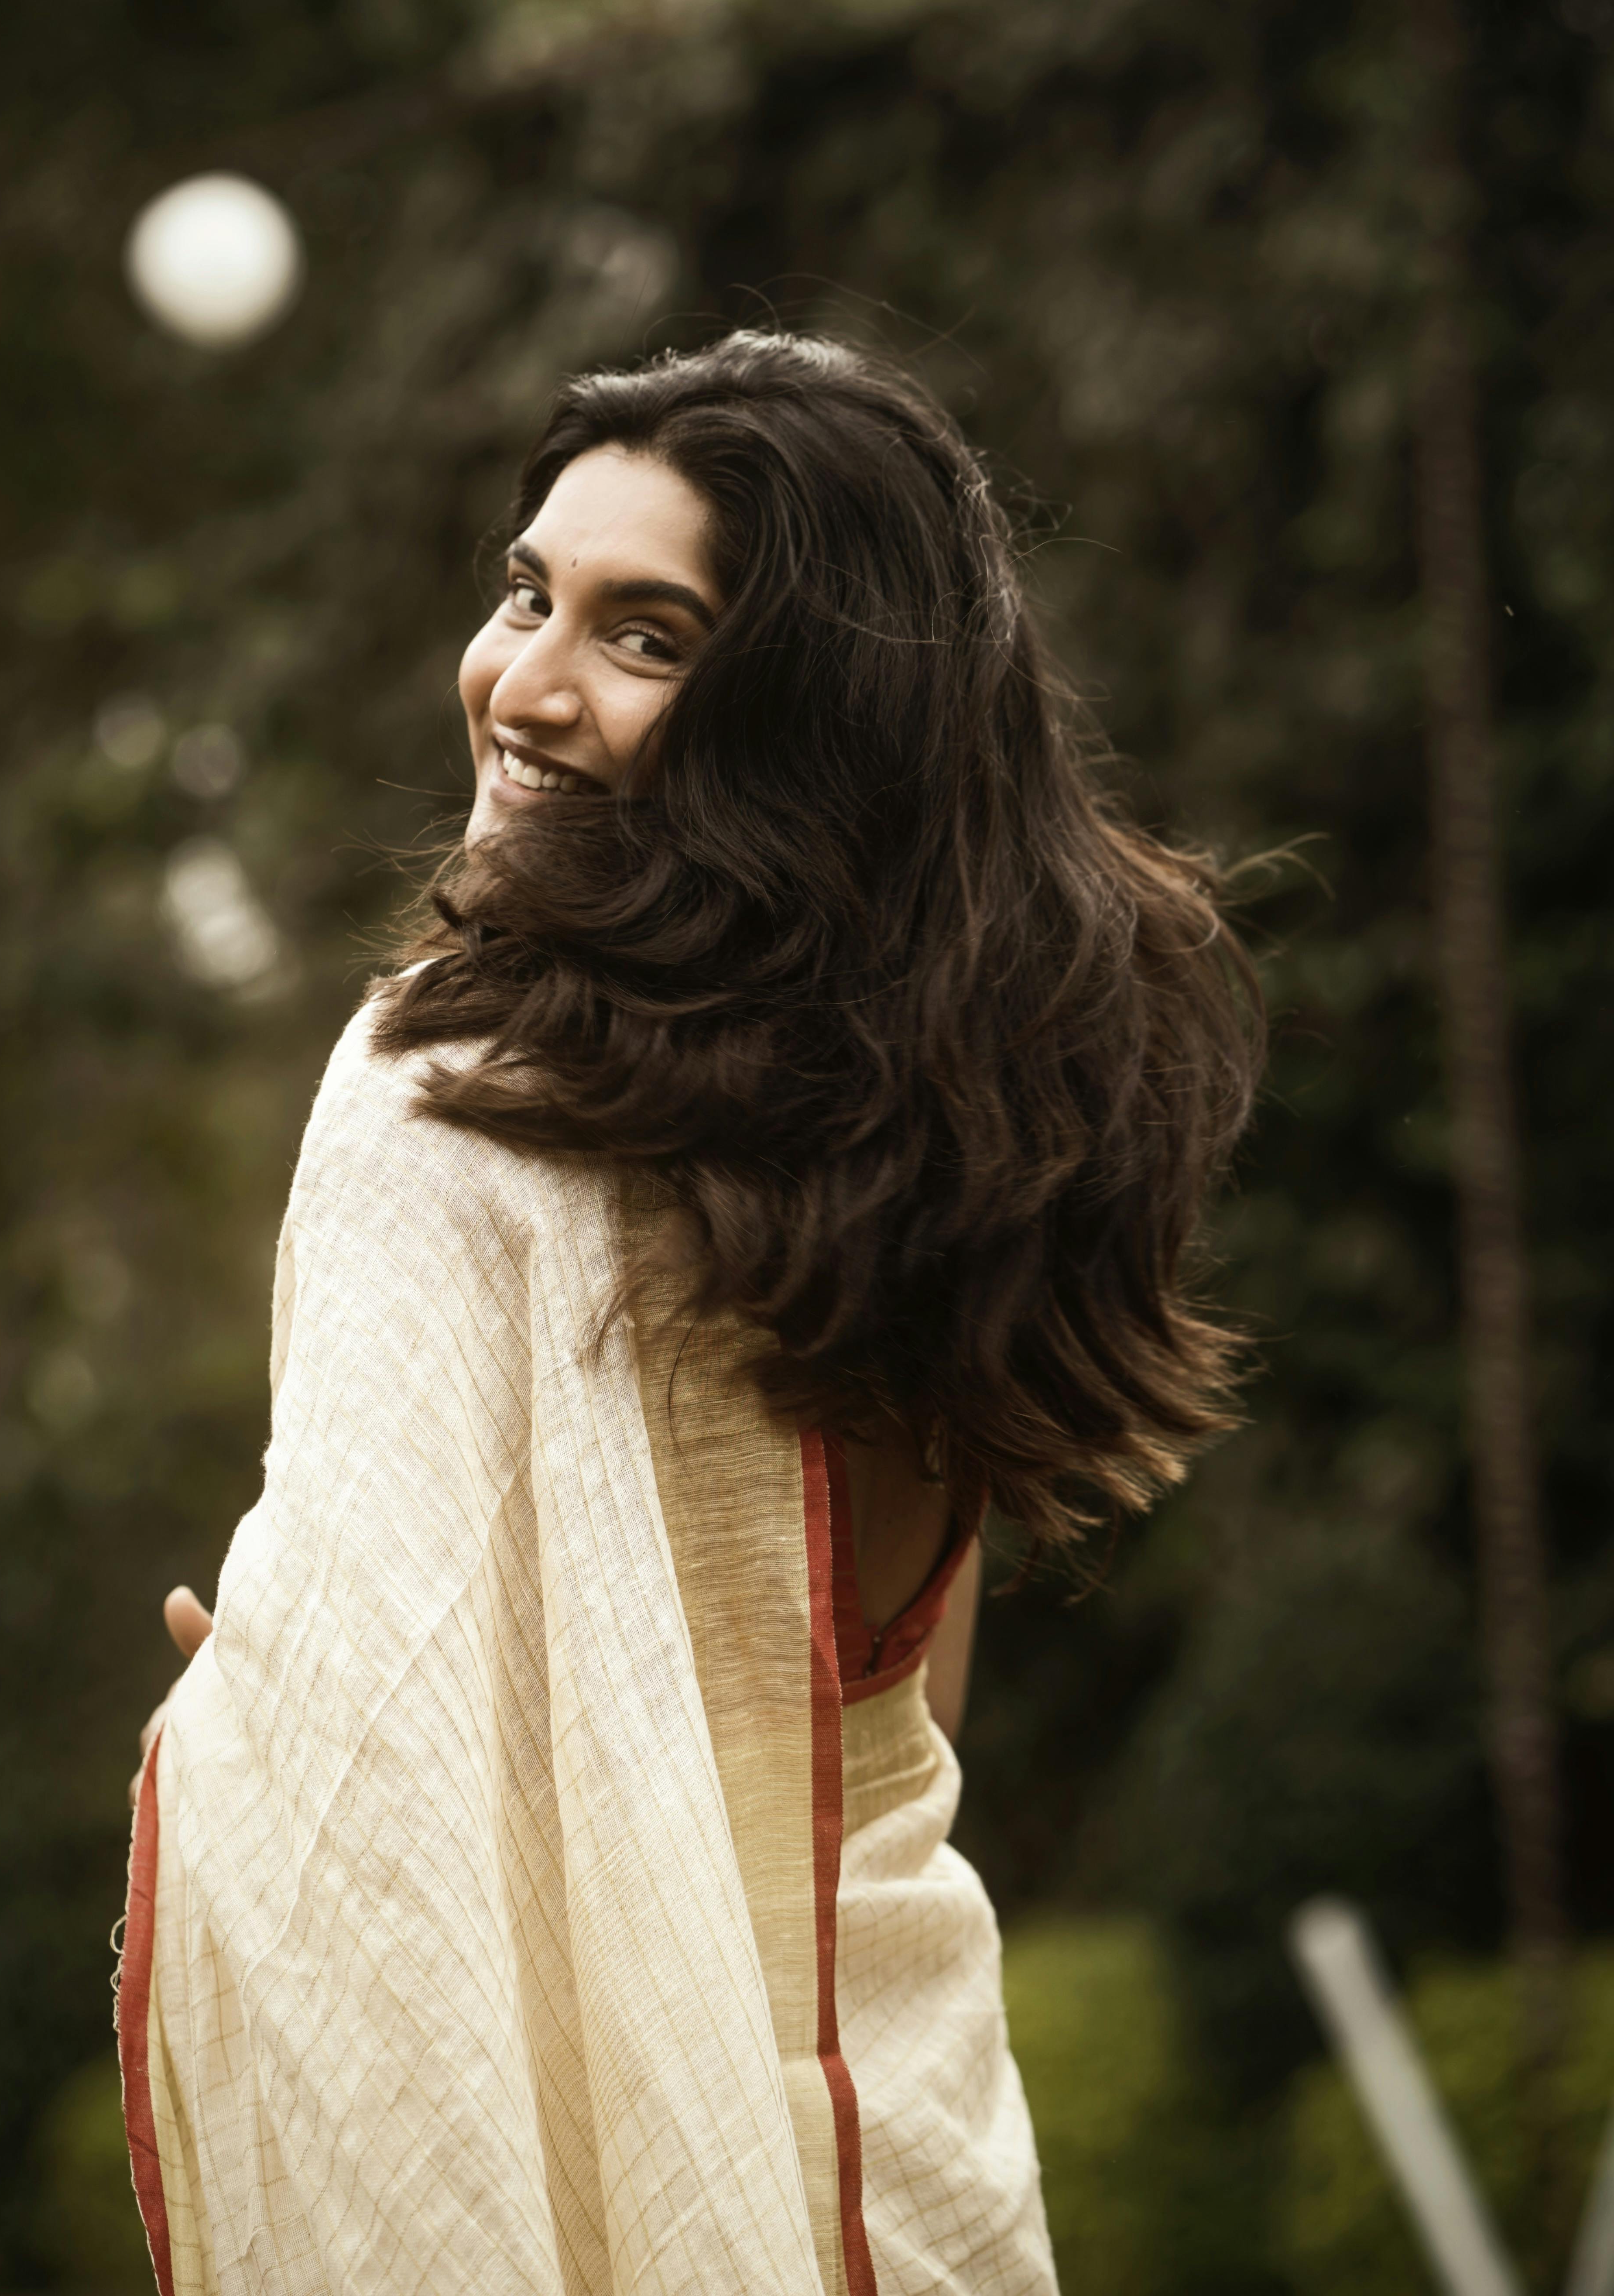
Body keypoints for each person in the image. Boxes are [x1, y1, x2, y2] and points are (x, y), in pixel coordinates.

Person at [120, 332, 1261, 2296]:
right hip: (905, 2160)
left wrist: (289, 1716)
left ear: (813, 717)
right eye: (526, 592)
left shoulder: (456, 1095)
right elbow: (869, 1721)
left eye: (645, 640)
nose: (524, 686)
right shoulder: (947, 1145)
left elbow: (422, 1807)